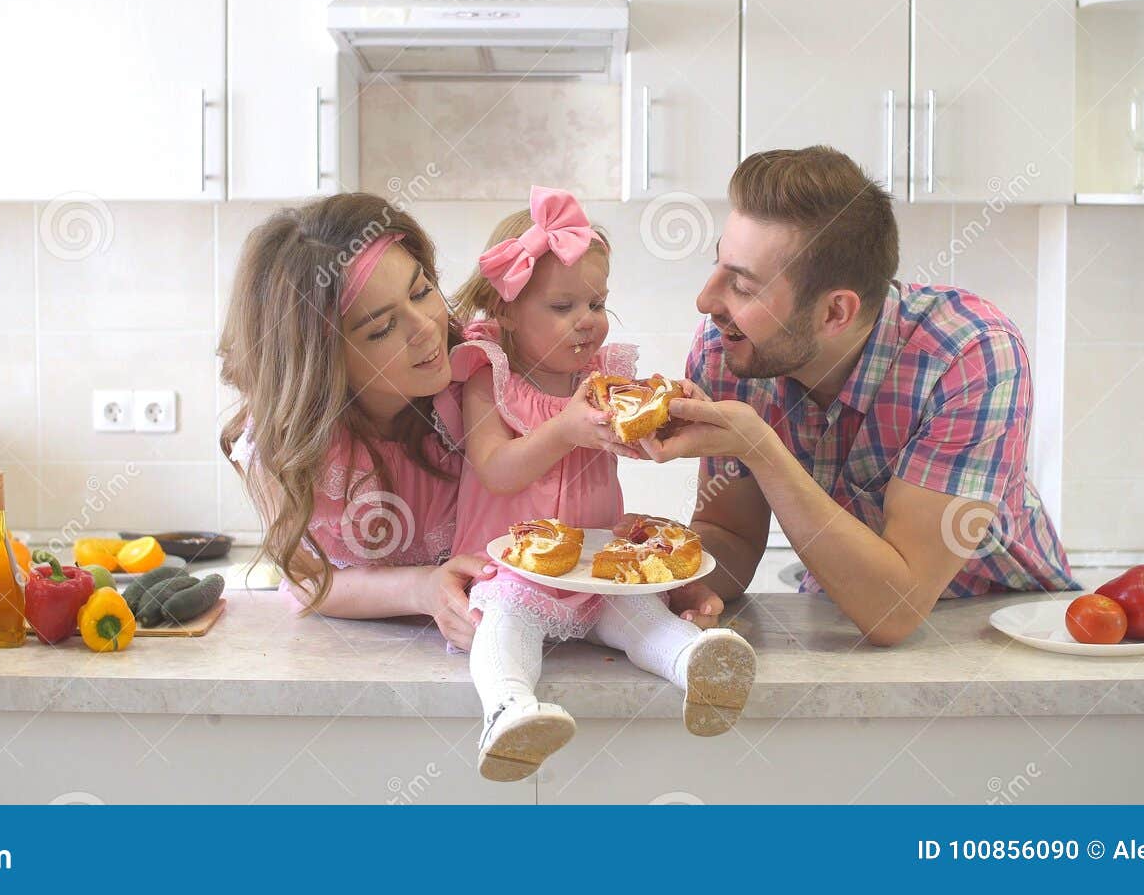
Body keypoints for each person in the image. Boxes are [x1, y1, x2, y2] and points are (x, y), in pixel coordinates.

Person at [644, 147, 1075, 646]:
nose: (706, 301)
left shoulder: (971, 355)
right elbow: (733, 540)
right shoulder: (731, 350)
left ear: (834, 313)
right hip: (843, 610)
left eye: (741, 285)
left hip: (1008, 630)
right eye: (718, 265)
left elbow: (893, 613)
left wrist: (758, 448)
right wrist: (655, 574)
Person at [448, 185, 755, 783]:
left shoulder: (602, 378)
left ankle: (696, 664)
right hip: (512, 568)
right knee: (505, 624)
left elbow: (639, 441)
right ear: (506, 309)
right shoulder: (490, 375)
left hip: (592, 567)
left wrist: (670, 409)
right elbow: (495, 467)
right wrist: (564, 430)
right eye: (563, 308)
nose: (588, 323)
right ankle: (509, 709)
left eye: (597, 304)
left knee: (639, 613)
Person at [218, 193, 492, 649]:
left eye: (422, 291)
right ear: (324, 361)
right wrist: (422, 588)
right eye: (381, 328)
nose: (426, 327)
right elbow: (309, 581)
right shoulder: (284, 447)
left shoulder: (481, 383)